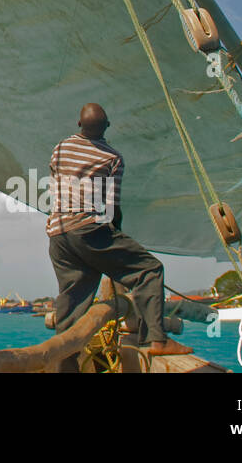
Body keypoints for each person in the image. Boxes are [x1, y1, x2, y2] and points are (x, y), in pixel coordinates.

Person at [46, 102, 192, 368]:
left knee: (72, 306)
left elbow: (56, 178)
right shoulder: (112, 158)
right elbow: (111, 207)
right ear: (108, 126)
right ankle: (156, 339)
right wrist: (116, 236)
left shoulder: (61, 148)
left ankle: (65, 367)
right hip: (89, 229)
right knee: (149, 269)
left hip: (58, 236)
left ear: (79, 125)